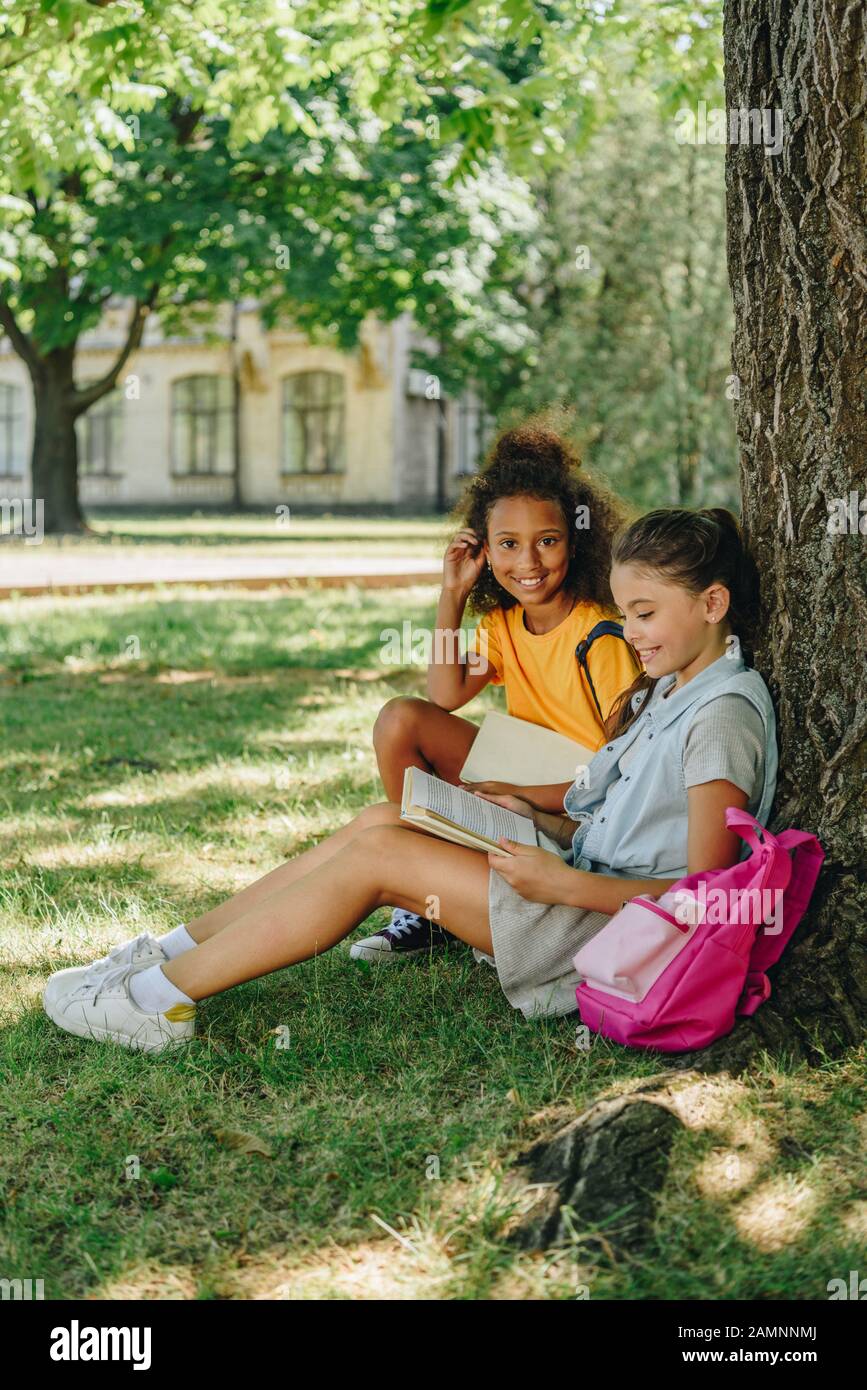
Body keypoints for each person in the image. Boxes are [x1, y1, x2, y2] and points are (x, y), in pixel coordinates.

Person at [42, 506, 777, 1052]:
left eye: (644, 614)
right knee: (380, 821)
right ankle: (166, 950)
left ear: (711, 605)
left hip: (608, 932)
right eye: (626, 613)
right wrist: (530, 813)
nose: (631, 630)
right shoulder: (677, 688)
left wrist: (564, 885)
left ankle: (155, 1001)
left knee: (380, 857)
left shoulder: (719, 717)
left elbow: (708, 901)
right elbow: (626, 820)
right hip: (576, 878)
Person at [352, 418, 640, 962]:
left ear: (575, 542)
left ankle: (444, 883)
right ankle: (423, 900)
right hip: (523, 778)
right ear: (485, 549)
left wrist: (523, 796)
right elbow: (444, 695)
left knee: (422, 733)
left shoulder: (599, 632)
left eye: (547, 542)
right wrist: (452, 594)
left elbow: (621, 771)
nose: (528, 563)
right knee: (400, 719)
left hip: (580, 806)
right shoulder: (504, 625)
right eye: (508, 544)